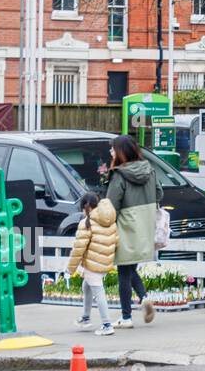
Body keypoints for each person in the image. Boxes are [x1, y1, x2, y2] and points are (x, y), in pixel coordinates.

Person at [104, 135, 159, 328]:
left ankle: (126, 317)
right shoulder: (149, 170)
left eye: (113, 149)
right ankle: (144, 298)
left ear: (121, 152)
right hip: (145, 225)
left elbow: (111, 206)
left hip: (125, 227)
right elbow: (159, 193)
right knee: (130, 267)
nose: (110, 152)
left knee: (123, 272)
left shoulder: (119, 175)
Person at [66, 192, 118, 336]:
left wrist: (70, 269)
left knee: (98, 292)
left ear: (85, 207)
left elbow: (78, 248)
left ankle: (107, 325)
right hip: (105, 261)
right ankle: (86, 317)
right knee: (86, 285)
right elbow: (116, 240)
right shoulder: (110, 220)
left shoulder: (86, 223)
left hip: (93, 263)